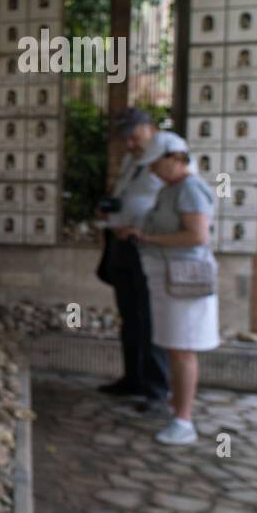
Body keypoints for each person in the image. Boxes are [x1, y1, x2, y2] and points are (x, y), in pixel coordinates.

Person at [114, 133, 219, 445]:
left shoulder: (190, 188)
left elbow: (197, 236)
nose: (152, 171)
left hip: (184, 278)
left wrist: (149, 239)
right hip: (168, 276)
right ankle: (178, 411)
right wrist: (138, 231)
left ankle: (183, 420)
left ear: (176, 157)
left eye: (156, 164)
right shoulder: (172, 188)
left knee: (183, 349)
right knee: (174, 345)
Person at [99, 109, 172, 408]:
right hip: (123, 244)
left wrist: (141, 228)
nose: (129, 142)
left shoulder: (169, 155)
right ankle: (133, 378)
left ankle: (156, 389)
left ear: (150, 128)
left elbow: (171, 208)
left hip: (147, 247)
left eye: (134, 135)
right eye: (125, 137)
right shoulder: (134, 159)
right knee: (130, 316)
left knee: (150, 319)